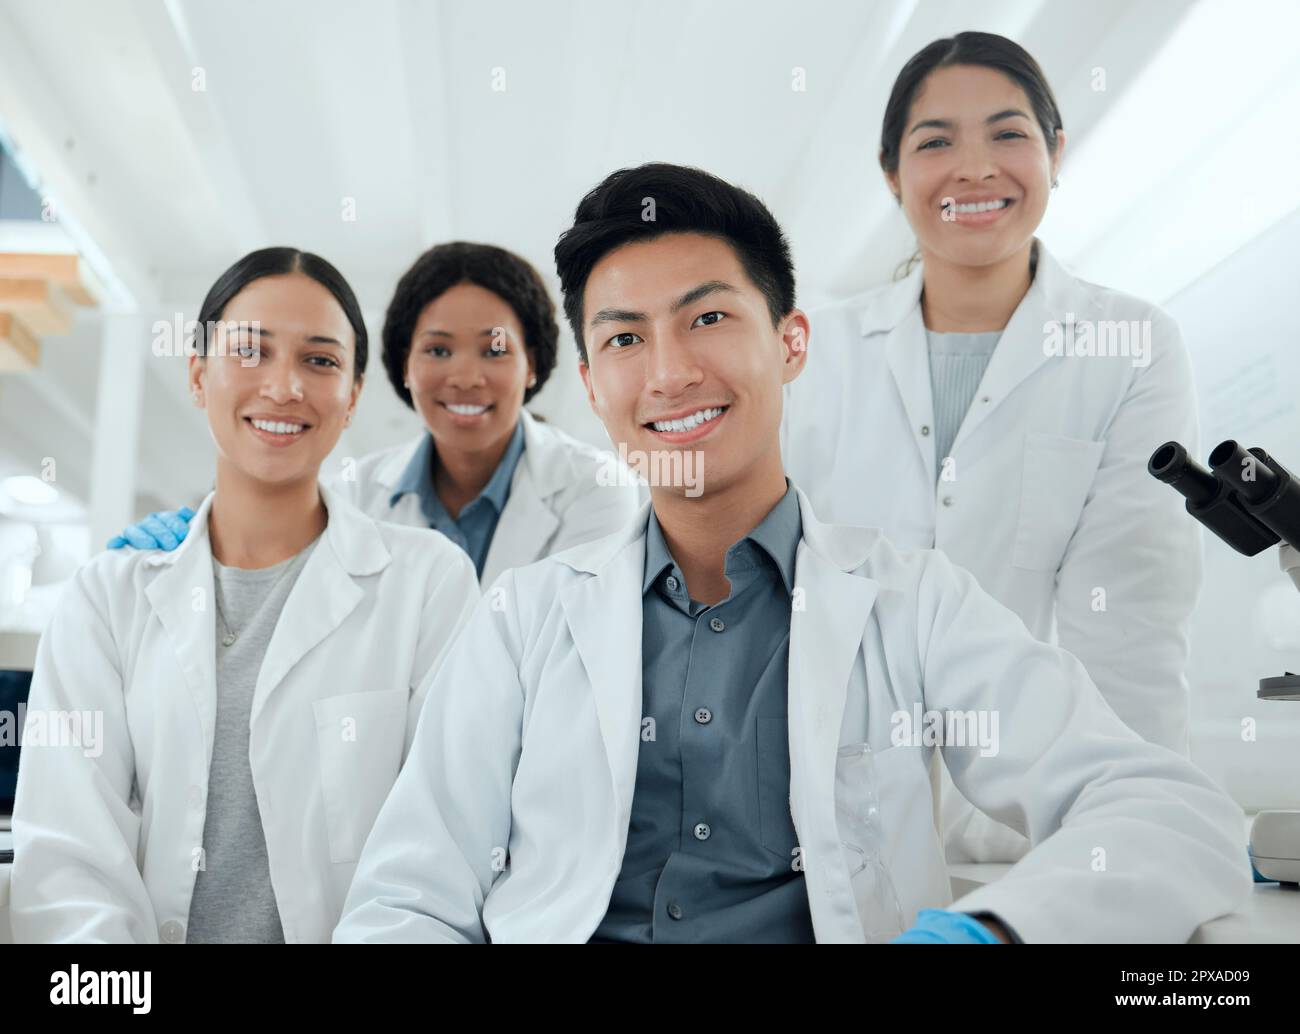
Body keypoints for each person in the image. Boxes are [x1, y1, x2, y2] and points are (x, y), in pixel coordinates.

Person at [332, 163, 1248, 944]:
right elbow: (407, 896)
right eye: (623, 338)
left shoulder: (909, 602)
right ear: (590, 385)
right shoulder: (524, 620)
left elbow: (1171, 813)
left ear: (792, 341)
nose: (669, 372)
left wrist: (989, 932)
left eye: (708, 319)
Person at [781, 32, 1202, 863]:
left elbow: (1132, 621)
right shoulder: (811, 351)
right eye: (936, 141)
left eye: (1008, 135)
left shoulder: (1131, 343)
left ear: (1055, 153)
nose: (974, 168)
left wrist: (1128, 825)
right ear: (891, 171)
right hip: (826, 804)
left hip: (1037, 802)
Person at [11, 248, 480, 943]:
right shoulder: (107, 599)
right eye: (250, 352)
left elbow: (438, 847)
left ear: (352, 395)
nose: (284, 386)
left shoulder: (427, 585)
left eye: (320, 360)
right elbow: (71, 864)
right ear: (199, 375)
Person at [110, 242, 641, 584]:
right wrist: (202, 543)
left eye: (494, 350)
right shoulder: (353, 494)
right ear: (404, 367)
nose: (464, 376)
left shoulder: (595, 490)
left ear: (534, 365)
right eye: (437, 350)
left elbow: (575, 654)